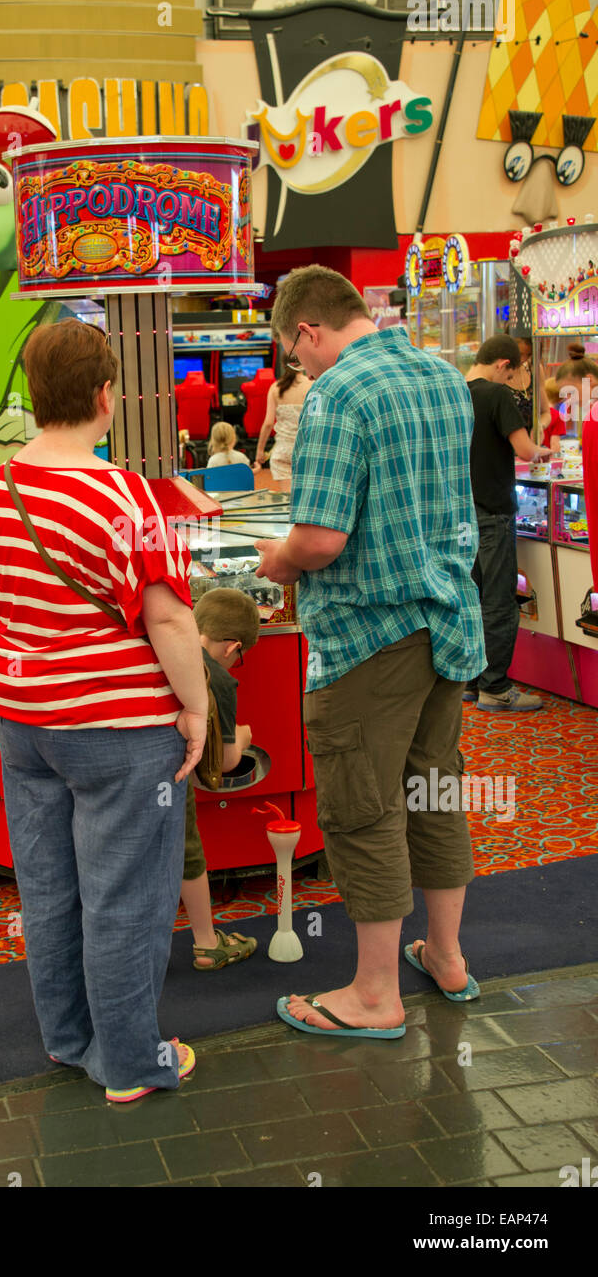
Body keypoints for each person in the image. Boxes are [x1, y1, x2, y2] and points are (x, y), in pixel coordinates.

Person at [0, 319, 208, 1104]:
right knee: (126, 897)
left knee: (48, 891)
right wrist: (199, 705)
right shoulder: (124, 494)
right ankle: (134, 1062)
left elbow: (1, 603)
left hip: (21, 717)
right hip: (116, 727)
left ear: (34, 397)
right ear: (106, 395)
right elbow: (169, 617)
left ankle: (70, 1040)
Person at [255, 264, 486, 1040]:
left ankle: (376, 994)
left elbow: (320, 540)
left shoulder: (337, 394)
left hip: (368, 635)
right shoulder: (440, 372)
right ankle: (447, 957)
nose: (298, 365)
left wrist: (273, 558)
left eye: (294, 352)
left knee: (363, 808)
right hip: (448, 620)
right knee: (435, 791)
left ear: (308, 330)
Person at [465, 334, 552, 712]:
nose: (512, 382)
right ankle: (496, 689)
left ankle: (470, 681)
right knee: (499, 601)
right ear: (503, 364)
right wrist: (543, 452)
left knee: (471, 598)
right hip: (494, 510)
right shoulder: (496, 396)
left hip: (462, 512)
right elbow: (525, 450)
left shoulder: (454, 390)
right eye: (512, 374)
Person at [181, 588, 259, 969]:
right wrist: (244, 734)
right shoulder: (219, 679)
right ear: (234, 646)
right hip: (169, 774)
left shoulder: (166, 648)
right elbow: (227, 761)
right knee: (187, 853)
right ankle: (207, 943)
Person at [253, 364, 313, 490]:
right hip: (306, 449)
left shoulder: (275, 387)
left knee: (289, 501)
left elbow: (268, 423)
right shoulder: (312, 385)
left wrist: (260, 451)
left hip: (283, 452)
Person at [511, 336, 550, 436]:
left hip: (530, 442)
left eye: (529, 355)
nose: (523, 359)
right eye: (519, 354)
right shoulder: (499, 372)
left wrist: (540, 426)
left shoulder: (534, 369)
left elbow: (546, 413)